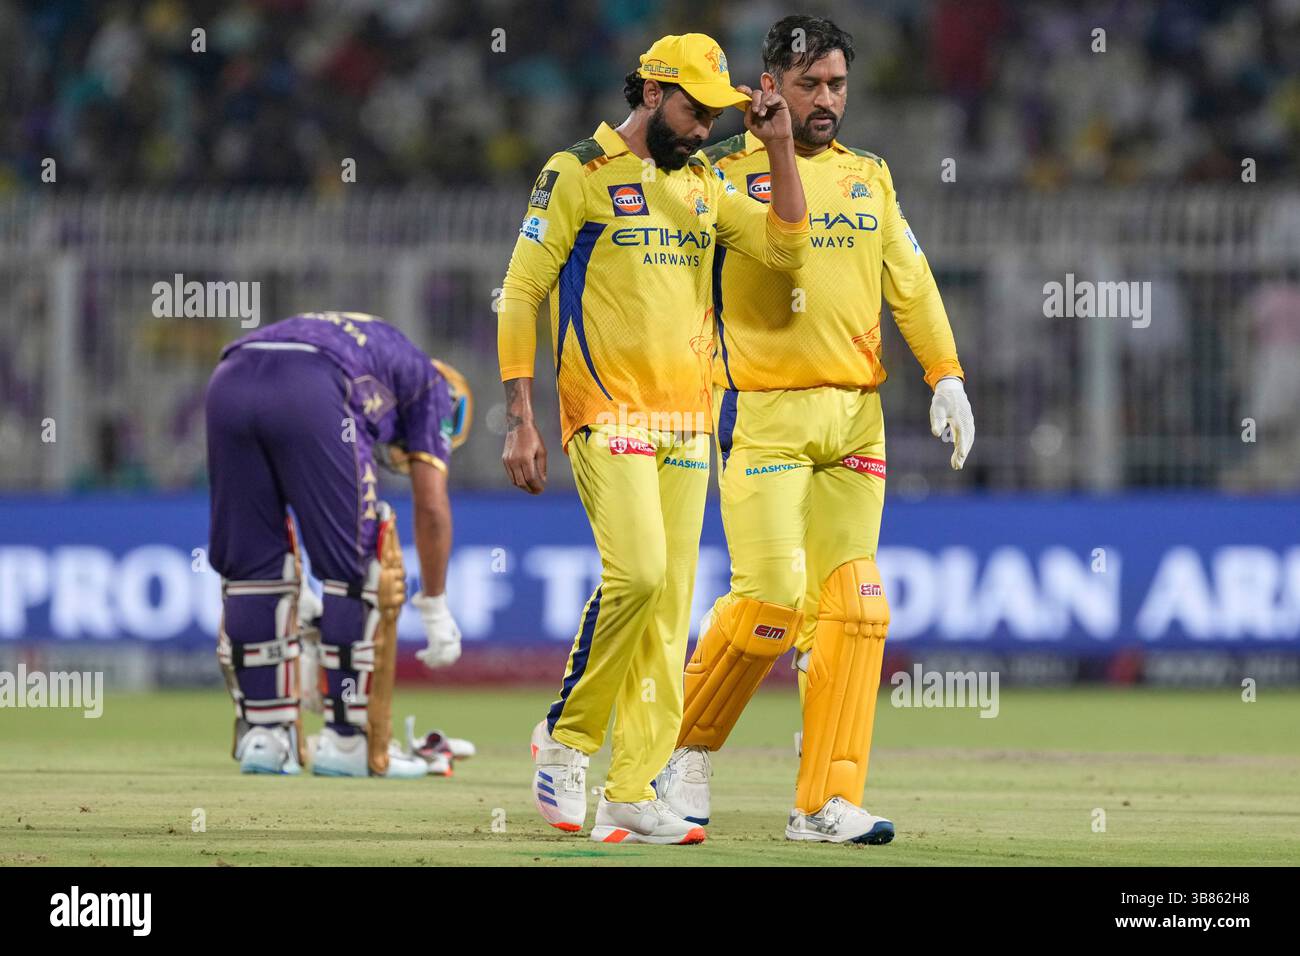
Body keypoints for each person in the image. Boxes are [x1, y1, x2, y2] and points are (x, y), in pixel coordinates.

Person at [655, 16, 975, 844]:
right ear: (772, 87)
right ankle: (679, 751)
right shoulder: (720, 171)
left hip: (856, 420)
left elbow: (910, 282)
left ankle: (823, 804)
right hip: (763, 412)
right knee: (769, 602)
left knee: (856, 608)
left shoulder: (870, 177)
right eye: (809, 85)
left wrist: (946, 377)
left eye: (836, 84)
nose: (826, 99)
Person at [497, 33, 810, 843]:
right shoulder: (577, 174)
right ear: (649, 92)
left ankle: (632, 793)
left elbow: (786, 248)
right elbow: (520, 292)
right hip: (603, 413)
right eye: (693, 109)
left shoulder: (704, 186)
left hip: (685, 422)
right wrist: (519, 416)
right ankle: (565, 744)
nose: (705, 126)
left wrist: (777, 146)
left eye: (715, 113)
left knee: (669, 612)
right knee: (636, 576)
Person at [205, 311, 471, 777]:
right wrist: (435, 605)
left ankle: (266, 738)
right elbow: (431, 506)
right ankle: (347, 742)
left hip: (229, 377)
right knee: (360, 570)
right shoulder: (432, 390)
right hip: (315, 386)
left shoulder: (381, 347)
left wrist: (298, 595)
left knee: (252, 571)